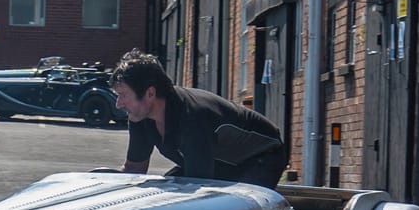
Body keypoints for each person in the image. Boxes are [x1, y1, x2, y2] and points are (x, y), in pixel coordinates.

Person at [111, 50, 289, 189]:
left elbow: (199, 186)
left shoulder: (192, 116)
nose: (119, 104)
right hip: (215, 164)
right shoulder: (139, 117)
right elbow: (135, 170)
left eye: (123, 95)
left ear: (150, 93)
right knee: (160, 190)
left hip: (263, 157)